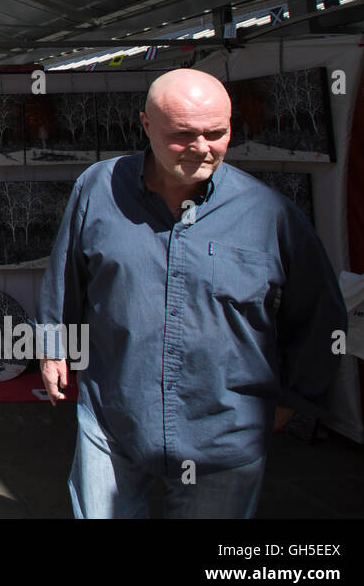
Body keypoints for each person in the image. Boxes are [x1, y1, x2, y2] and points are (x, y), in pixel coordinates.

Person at [37, 69, 347, 518]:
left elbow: (322, 314)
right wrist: (52, 347)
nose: (202, 148)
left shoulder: (269, 215)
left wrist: (294, 400)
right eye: (183, 135)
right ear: (146, 125)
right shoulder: (99, 188)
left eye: (216, 133)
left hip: (223, 433)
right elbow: (65, 273)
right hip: (114, 417)